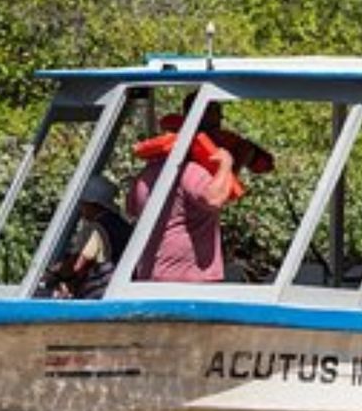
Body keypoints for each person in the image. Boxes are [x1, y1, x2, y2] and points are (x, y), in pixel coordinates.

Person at [127, 119, 237, 282]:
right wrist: (226, 164)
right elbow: (214, 199)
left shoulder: (144, 176)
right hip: (188, 278)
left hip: (152, 275)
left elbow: (130, 209)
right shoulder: (189, 171)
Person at [40, 175, 132, 299]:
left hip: (100, 291)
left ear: (92, 203)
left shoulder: (96, 227)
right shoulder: (122, 225)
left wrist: (52, 273)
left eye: (82, 203)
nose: (80, 208)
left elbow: (77, 264)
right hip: (120, 285)